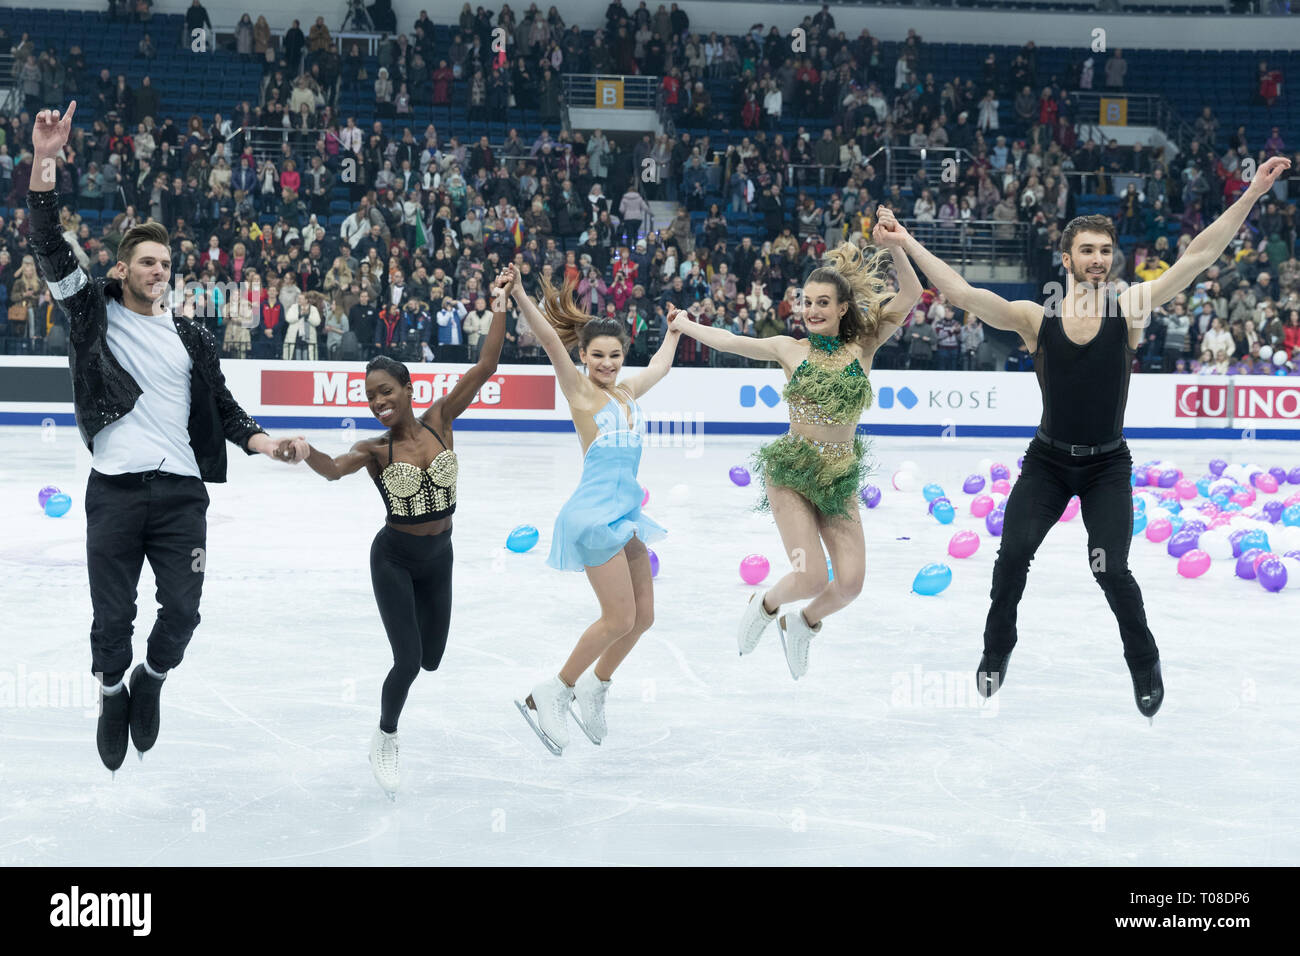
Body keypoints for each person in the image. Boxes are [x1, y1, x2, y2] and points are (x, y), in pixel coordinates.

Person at [896, 155, 1292, 719]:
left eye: (1106, 251)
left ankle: (1144, 661)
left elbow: (1199, 255)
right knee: (1012, 557)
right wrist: (906, 239)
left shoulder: (1129, 310)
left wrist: (1252, 192)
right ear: (1067, 259)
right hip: (1048, 464)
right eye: (1087, 250)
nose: (1098, 260)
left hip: (1107, 467)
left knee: (1109, 568)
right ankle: (996, 650)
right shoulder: (1036, 318)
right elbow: (959, 291)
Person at [26, 101, 300, 773]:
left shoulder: (192, 337)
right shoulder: (92, 314)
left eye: (165, 263)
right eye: (147, 262)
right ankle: (114, 691)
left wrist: (265, 443)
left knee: (182, 611)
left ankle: (151, 679)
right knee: (109, 623)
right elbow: (46, 239)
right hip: (114, 495)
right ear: (121, 269)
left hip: (180, 498)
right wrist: (45, 159)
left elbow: (227, 410)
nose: (159, 270)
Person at [670, 209, 922, 679]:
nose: (812, 311)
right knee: (809, 576)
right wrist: (686, 325)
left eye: (822, 303)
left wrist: (895, 246)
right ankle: (764, 606)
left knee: (849, 585)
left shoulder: (864, 345)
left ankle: (802, 625)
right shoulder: (790, 349)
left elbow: (910, 294)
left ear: (843, 308)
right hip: (791, 472)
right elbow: (730, 340)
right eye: (806, 302)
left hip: (839, 474)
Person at [288, 271, 510, 797]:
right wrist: (306, 452)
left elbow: (486, 366)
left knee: (431, 660)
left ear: (409, 389)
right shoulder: (373, 450)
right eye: (370, 397)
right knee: (408, 661)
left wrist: (500, 303)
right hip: (394, 559)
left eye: (386, 391)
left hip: (441, 556)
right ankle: (385, 735)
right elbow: (333, 469)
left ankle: (393, 716)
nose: (378, 402)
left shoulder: (441, 420)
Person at [507, 263, 682, 755]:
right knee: (616, 618)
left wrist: (672, 332)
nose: (607, 363)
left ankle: (594, 685)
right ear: (583, 356)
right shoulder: (580, 392)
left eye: (614, 355)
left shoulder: (626, 392)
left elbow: (661, 369)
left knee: (642, 617)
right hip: (592, 518)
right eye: (597, 356)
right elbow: (547, 340)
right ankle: (553, 691)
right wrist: (521, 294)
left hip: (624, 518)